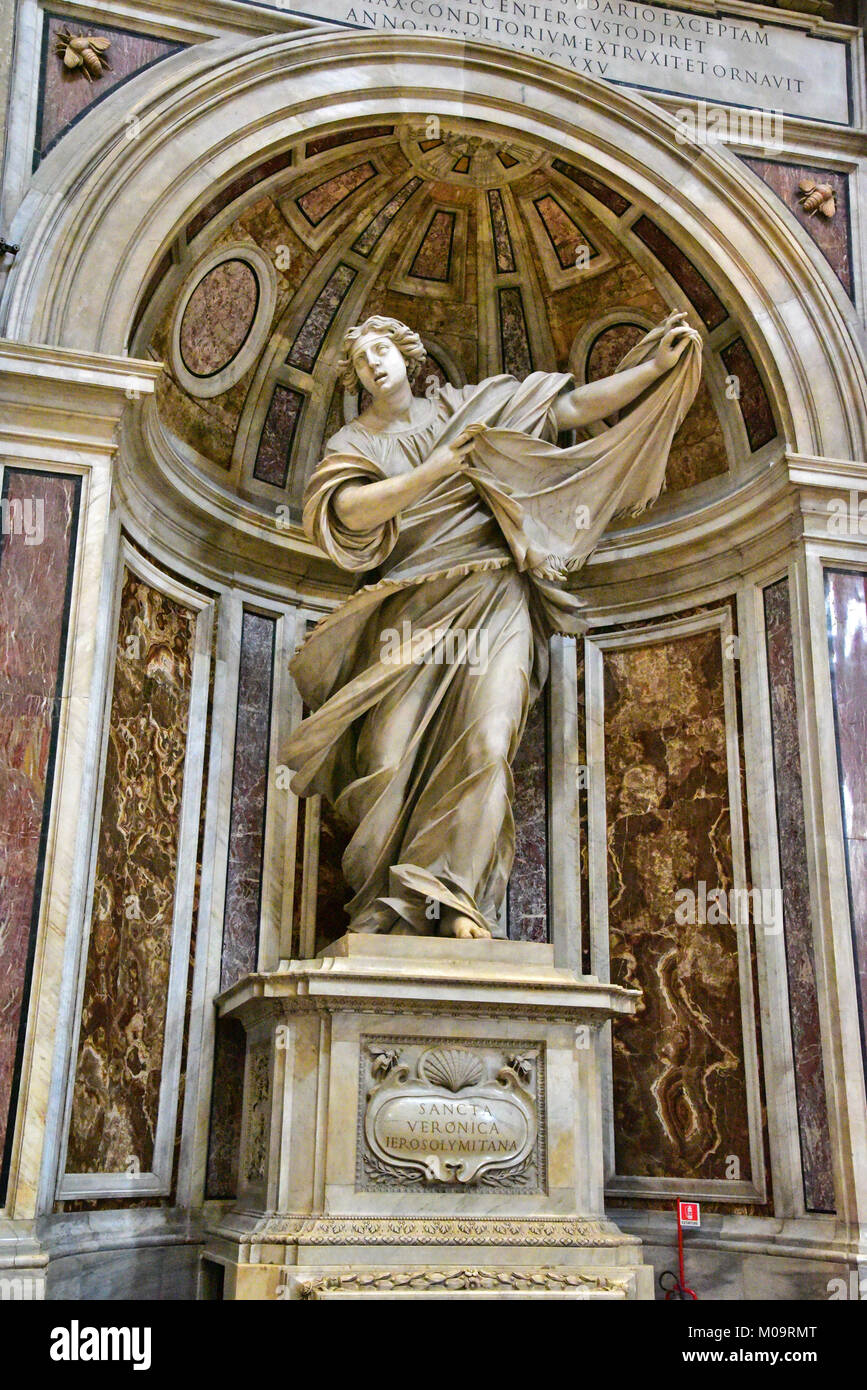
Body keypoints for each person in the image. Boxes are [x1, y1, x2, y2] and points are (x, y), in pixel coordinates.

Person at [285, 312, 701, 939]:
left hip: (495, 594)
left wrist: (652, 369)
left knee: (488, 740)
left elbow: (569, 408)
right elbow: (346, 510)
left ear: (407, 355)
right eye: (363, 357)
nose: (375, 361)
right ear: (357, 379)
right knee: (387, 758)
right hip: (408, 610)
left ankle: (451, 900)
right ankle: (388, 905)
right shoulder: (355, 445)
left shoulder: (473, 407)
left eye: (383, 348)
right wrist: (437, 471)